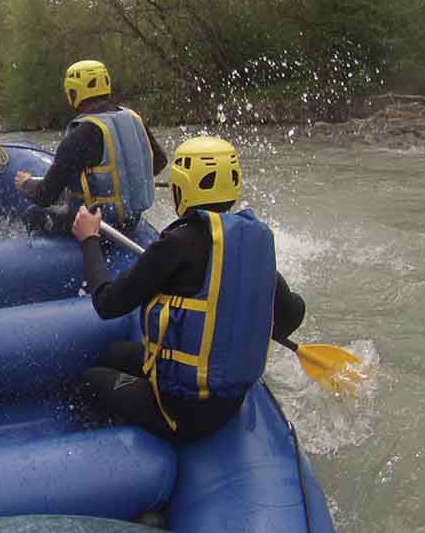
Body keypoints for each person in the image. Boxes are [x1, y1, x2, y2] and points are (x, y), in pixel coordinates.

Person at [70, 136, 306, 442]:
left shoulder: (176, 245)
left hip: (180, 412)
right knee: (115, 353)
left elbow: (107, 303)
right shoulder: (252, 244)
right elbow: (291, 316)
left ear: (182, 188)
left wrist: (89, 239)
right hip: (228, 401)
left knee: (89, 380)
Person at [14, 60, 168, 235]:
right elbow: (159, 163)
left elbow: (45, 196)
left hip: (98, 227)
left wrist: (26, 184)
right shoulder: (133, 119)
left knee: (33, 214)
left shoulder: (78, 136)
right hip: (131, 220)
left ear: (73, 92)